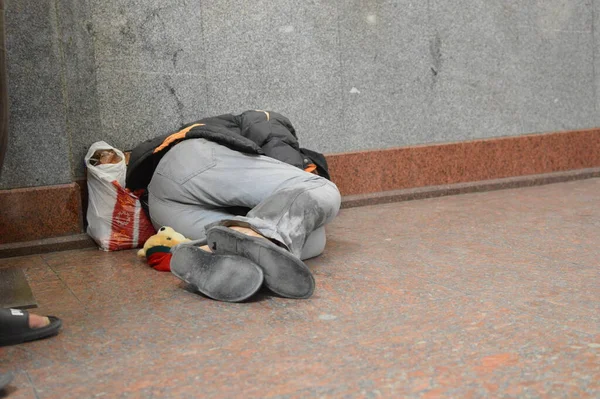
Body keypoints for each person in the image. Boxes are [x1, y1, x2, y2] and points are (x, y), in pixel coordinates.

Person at [126, 110, 341, 302]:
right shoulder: (270, 122)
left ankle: (204, 251)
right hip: (192, 162)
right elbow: (276, 143)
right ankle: (254, 235)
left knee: (311, 240)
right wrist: (300, 174)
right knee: (322, 189)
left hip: (162, 209)